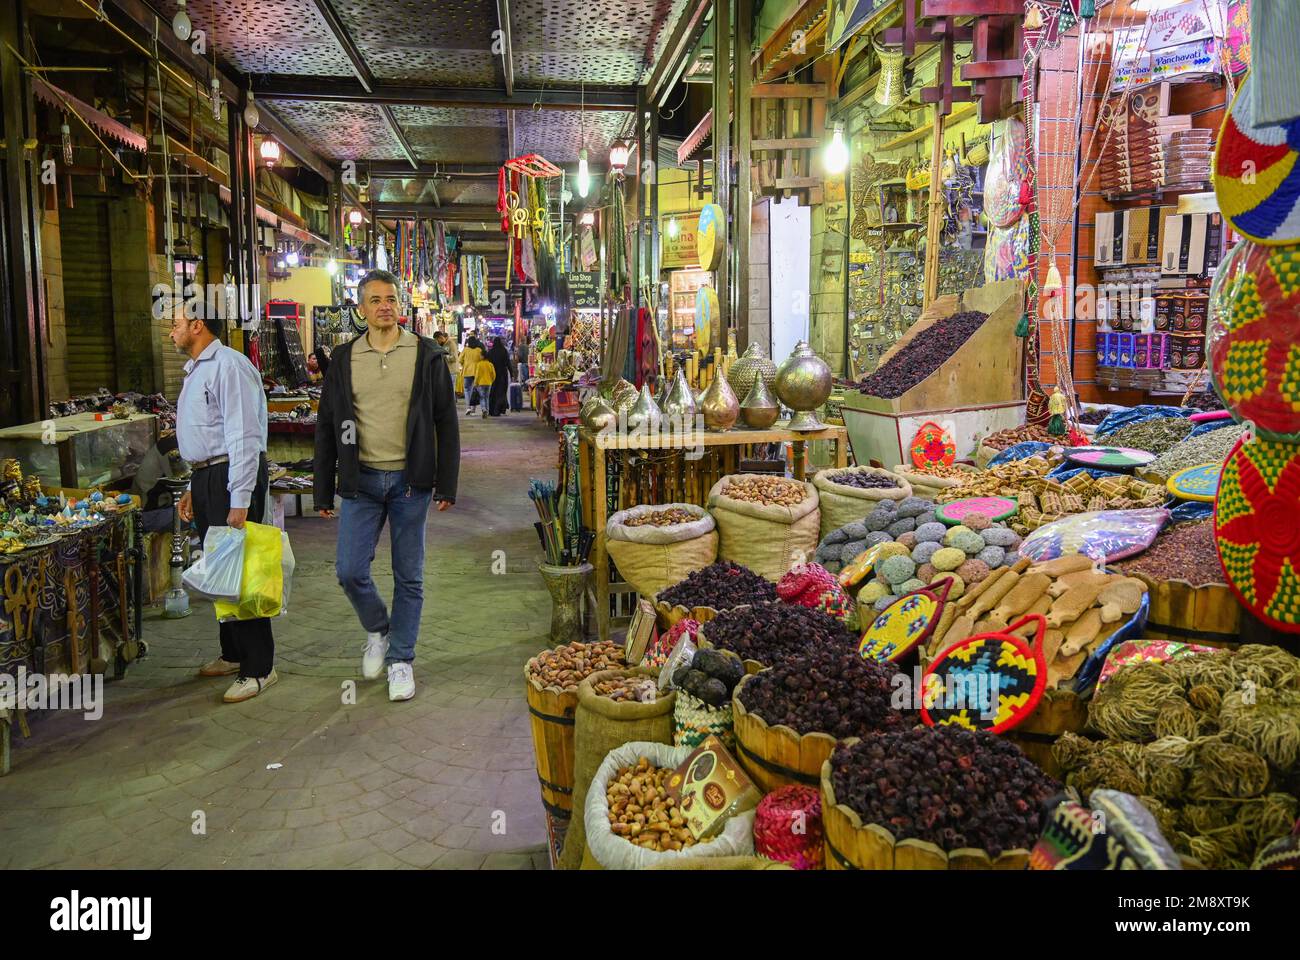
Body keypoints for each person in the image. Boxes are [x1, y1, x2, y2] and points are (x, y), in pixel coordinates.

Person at [314, 269, 460, 702]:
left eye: (391, 299)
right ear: (361, 309)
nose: (384, 306)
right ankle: (379, 627)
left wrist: (447, 482)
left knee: (409, 576)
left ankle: (401, 660)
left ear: (400, 305)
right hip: (360, 482)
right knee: (350, 570)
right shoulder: (343, 359)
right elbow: (326, 425)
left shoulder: (425, 354)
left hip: (410, 482)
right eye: (374, 299)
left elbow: (445, 422)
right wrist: (323, 488)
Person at [169, 313, 275, 703]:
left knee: (244, 571)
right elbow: (205, 436)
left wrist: (240, 498)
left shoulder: (229, 366)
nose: (171, 330)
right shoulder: (196, 370)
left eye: (176, 322)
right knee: (221, 569)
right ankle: (232, 654)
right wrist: (194, 487)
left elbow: (244, 434)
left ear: (198, 324)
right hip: (208, 476)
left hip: (232, 473)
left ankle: (260, 668)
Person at [486, 336, 512, 417]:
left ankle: (492, 410)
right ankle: (500, 409)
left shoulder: (491, 352)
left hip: (493, 374)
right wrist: (512, 374)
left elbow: (487, 363)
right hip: (502, 375)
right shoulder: (504, 351)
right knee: (501, 392)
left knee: (493, 392)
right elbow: (508, 363)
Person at [459, 335, 485, 415]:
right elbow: (482, 360)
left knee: (467, 390)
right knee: (476, 390)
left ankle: (468, 408)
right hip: (477, 372)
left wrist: (465, 364)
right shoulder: (479, 350)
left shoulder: (465, 350)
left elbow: (460, 359)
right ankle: (474, 409)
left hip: (467, 372)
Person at [471, 348, 496, 419]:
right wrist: (491, 380)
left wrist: (475, 383)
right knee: (487, 397)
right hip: (488, 383)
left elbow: (477, 375)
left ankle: (483, 409)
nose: (479, 356)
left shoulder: (479, 364)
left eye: (480, 355)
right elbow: (493, 374)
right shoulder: (490, 364)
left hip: (480, 383)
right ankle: (487, 411)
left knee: (482, 397)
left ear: (483, 356)